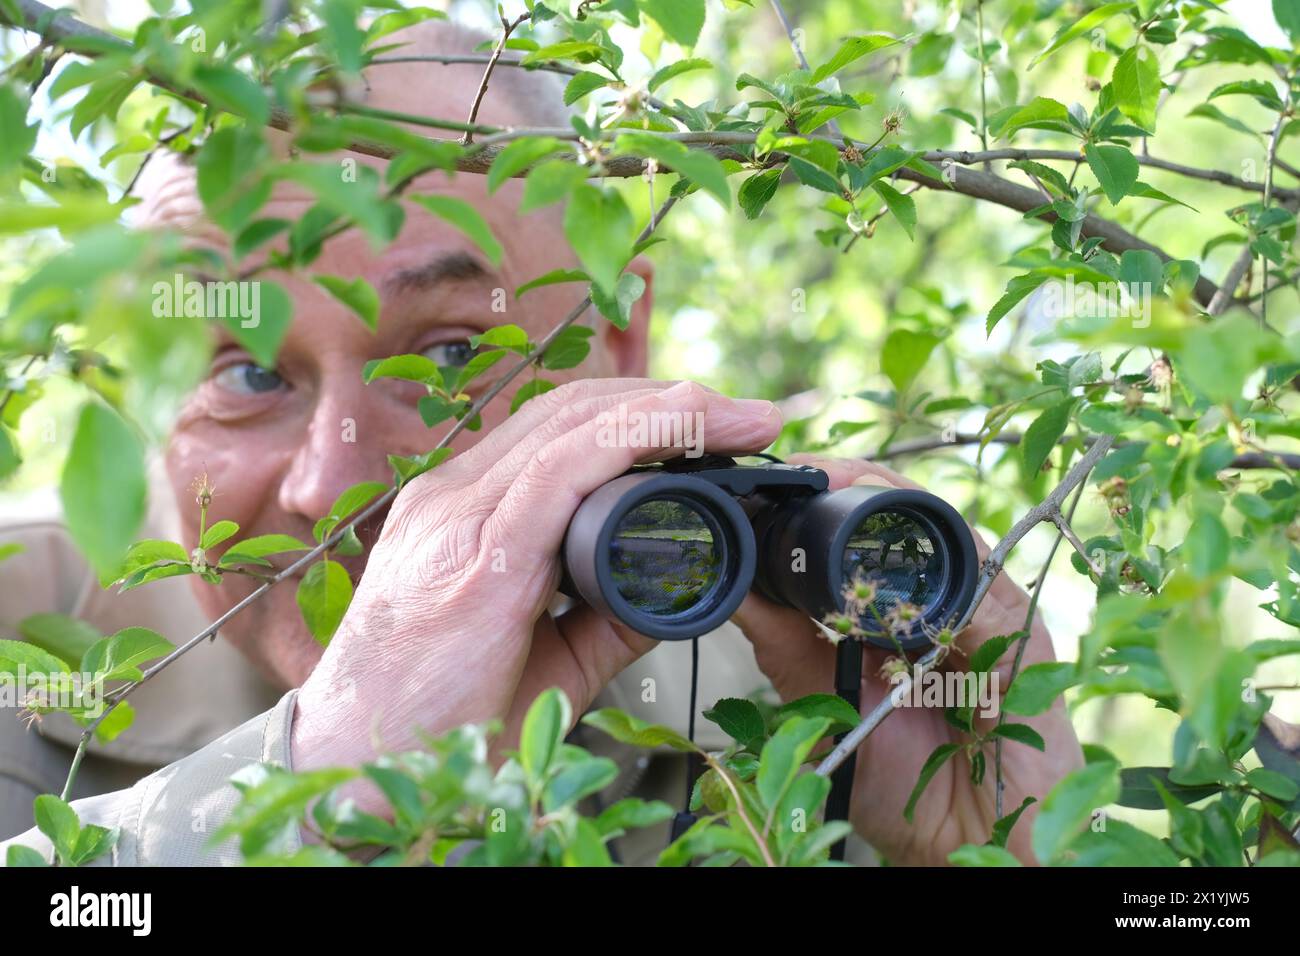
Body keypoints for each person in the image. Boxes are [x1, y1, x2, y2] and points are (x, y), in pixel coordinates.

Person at [0, 20, 1081, 866]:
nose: (331, 481)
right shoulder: (19, 651)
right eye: (245, 373)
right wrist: (324, 791)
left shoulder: (781, 696)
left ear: (617, 346)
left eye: (456, 355)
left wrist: (987, 853)